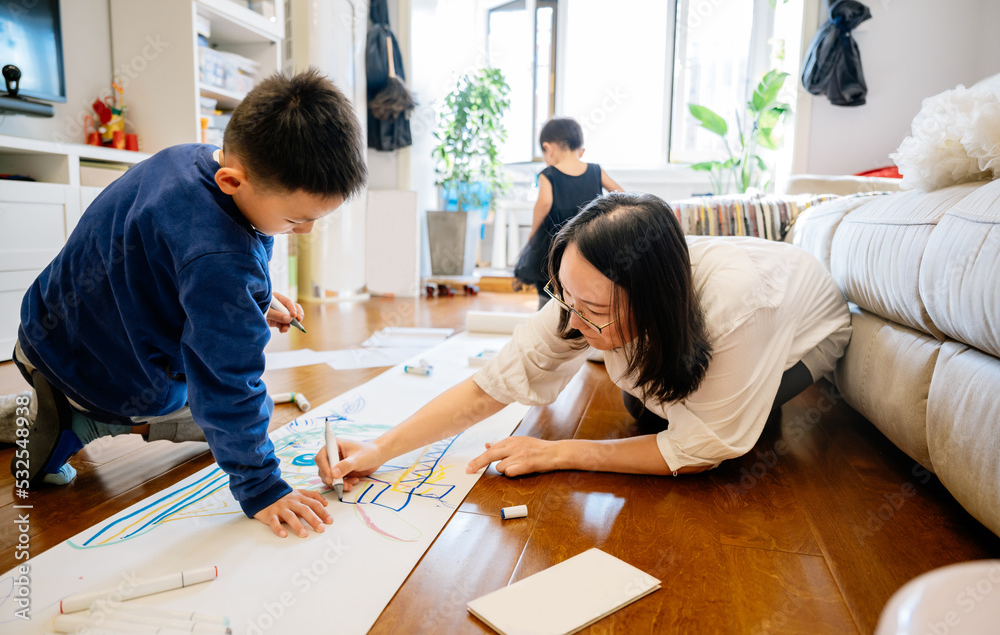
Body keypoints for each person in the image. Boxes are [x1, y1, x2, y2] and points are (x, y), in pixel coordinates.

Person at [4, 69, 367, 538]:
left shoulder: (185, 158)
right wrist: (262, 487)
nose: (305, 231)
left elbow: (182, 261)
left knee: (225, 423)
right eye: (297, 220)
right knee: (220, 419)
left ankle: (35, 404)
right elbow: (229, 382)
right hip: (93, 376)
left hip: (44, 331)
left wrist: (250, 299)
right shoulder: (223, 262)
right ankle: (81, 423)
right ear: (232, 181)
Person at [317, 193, 851, 485]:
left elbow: (700, 449)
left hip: (809, 337)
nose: (573, 324)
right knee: (642, 406)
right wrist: (380, 446)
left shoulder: (738, 306)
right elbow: (489, 387)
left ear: (656, 305)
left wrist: (559, 453)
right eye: (564, 297)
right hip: (696, 325)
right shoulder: (584, 291)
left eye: (594, 313)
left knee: (723, 439)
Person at [514, 117, 622, 310]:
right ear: (581, 149)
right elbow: (620, 193)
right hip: (588, 238)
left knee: (548, 281)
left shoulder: (549, 174)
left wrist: (533, 233)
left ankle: (546, 317)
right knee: (584, 280)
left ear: (548, 148)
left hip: (555, 241)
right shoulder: (596, 170)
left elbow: (545, 203)